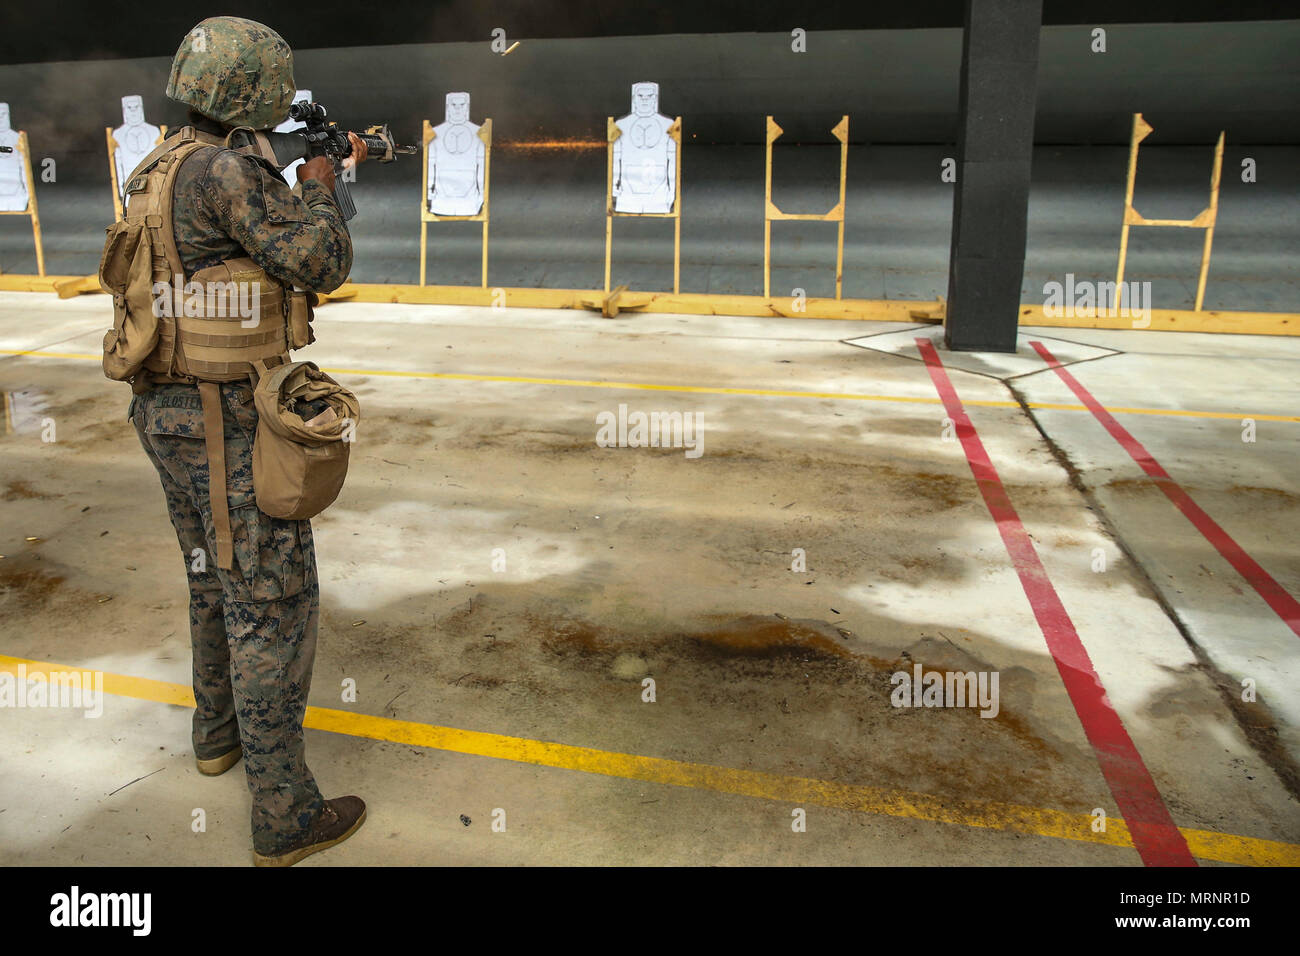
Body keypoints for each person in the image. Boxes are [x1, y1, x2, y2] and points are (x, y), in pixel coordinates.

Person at [125, 15, 367, 866]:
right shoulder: (230, 170)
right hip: (225, 419)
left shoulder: (155, 164)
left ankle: (216, 736)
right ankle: (285, 816)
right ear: (255, 91)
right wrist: (320, 183)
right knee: (269, 603)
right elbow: (320, 262)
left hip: (166, 411)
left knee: (208, 576)